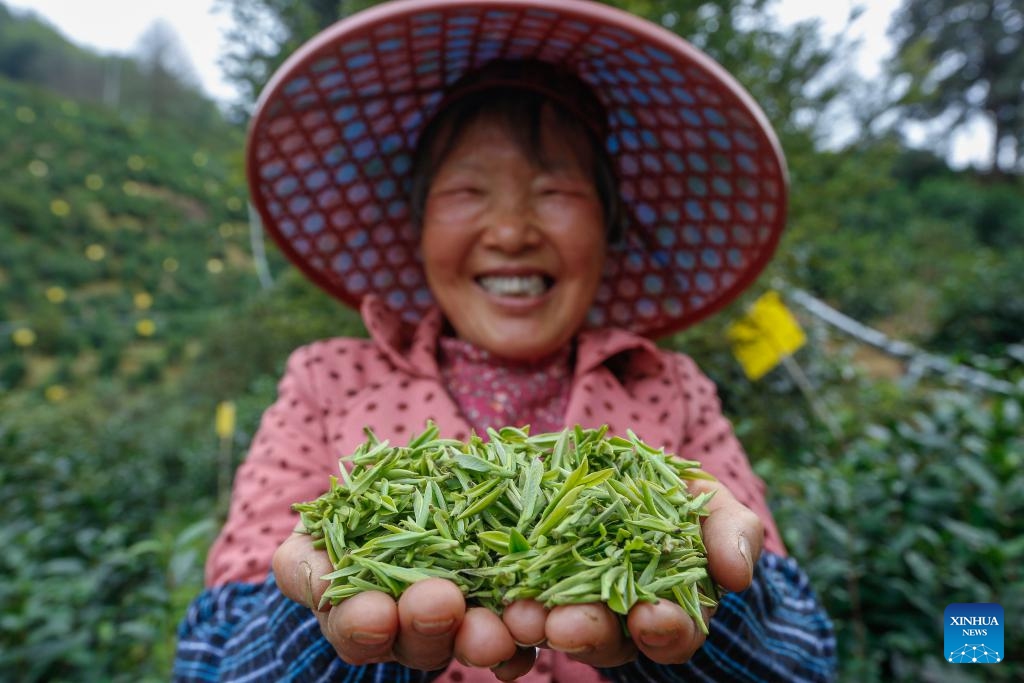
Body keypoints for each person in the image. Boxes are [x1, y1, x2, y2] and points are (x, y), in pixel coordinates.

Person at [174, 0, 836, 681]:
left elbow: (800, 656)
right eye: (467, 190)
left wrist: (714, 605)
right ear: (419, 225)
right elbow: (214, 658)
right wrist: (333, 624)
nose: (513, 229)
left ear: (608, 227)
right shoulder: (326, 381)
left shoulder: (671, 390)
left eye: (555, 191)